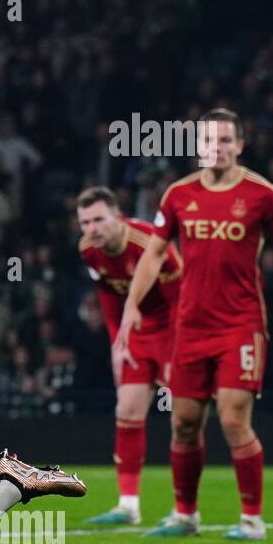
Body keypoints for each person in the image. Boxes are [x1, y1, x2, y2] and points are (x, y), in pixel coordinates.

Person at [116, 110, 273, 540]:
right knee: (183, 423)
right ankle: (186, 514)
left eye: (225, 141)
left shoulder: (263, 195)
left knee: (233, 417)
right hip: (190, 327)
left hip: (240, 324)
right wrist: (131, 307)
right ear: (198, 147)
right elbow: (154, 253)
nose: (216, 148)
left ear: (240, 145)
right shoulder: (178, 195)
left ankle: (252, 519)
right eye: (208, 141)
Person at [75, 186, 183, 525]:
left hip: (175, 327)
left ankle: (184, 509)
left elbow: (182, 294)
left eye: (98, 220)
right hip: (136, 330)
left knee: (184, 420)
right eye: (85, 223)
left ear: (117, 216)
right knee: (127, 411)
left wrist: (181, 348)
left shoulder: (150, 241)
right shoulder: (89, 251)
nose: (92, 229)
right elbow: (108, 297)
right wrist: (116, 345)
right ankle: (128, 505)